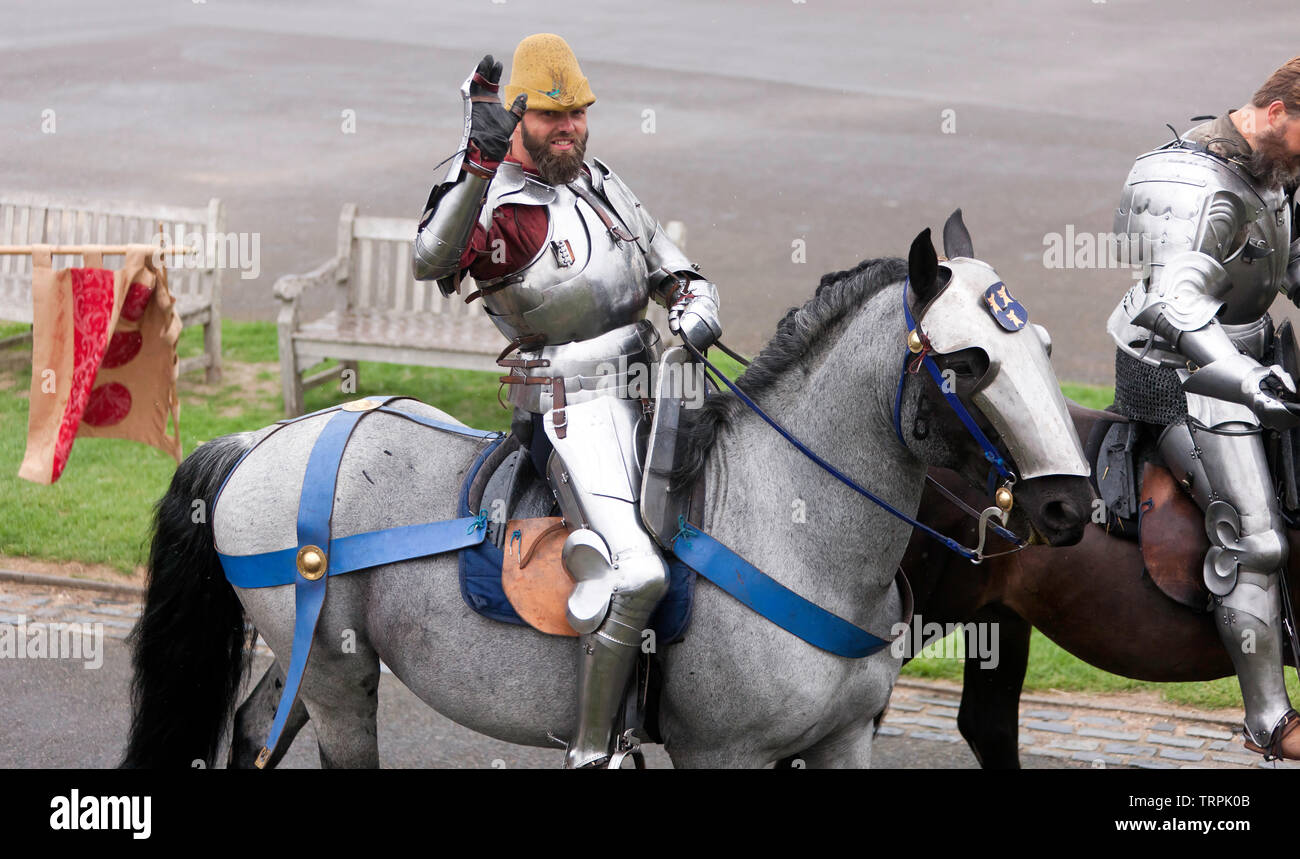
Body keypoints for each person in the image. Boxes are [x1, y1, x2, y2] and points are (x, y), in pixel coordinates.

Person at [412, 33, 721, 767]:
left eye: (579, 114)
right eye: (554, 118)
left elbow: (674, 269)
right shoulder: (499, 205)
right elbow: (430, 258)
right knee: (636, 573)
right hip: (571, 406)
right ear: (518, 119)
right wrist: (478, 160)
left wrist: (695, 306)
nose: (571, 129)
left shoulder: (599, 179)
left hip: (660, 388)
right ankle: (593, 752)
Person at [1106, 56, 1300, 759]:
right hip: (1181, 373)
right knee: (1259, 538)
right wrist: (1244, 382)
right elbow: (1172, 303)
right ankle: (1270, 721)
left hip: (1256, 356)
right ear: (1277, 112)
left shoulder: (1277, 172)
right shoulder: (1180, 181)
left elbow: (1291, 264)